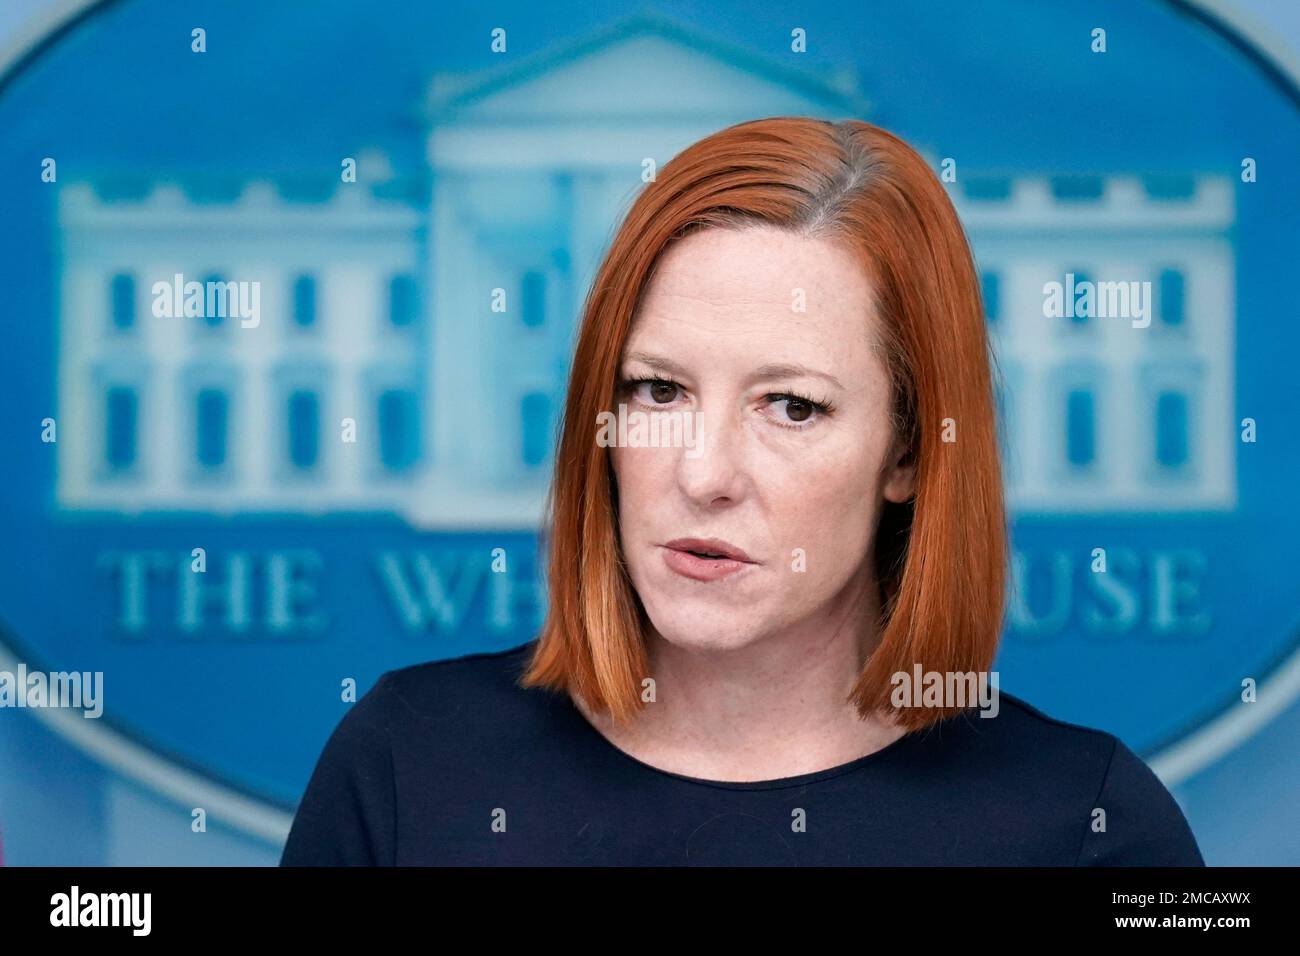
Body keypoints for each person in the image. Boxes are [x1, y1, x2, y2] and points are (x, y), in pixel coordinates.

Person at [281, 117, 1204, 866]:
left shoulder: (1090, 827)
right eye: (658, 389)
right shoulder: (407, 766)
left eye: (792, 407)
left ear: (910, 452)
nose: (703, 473)